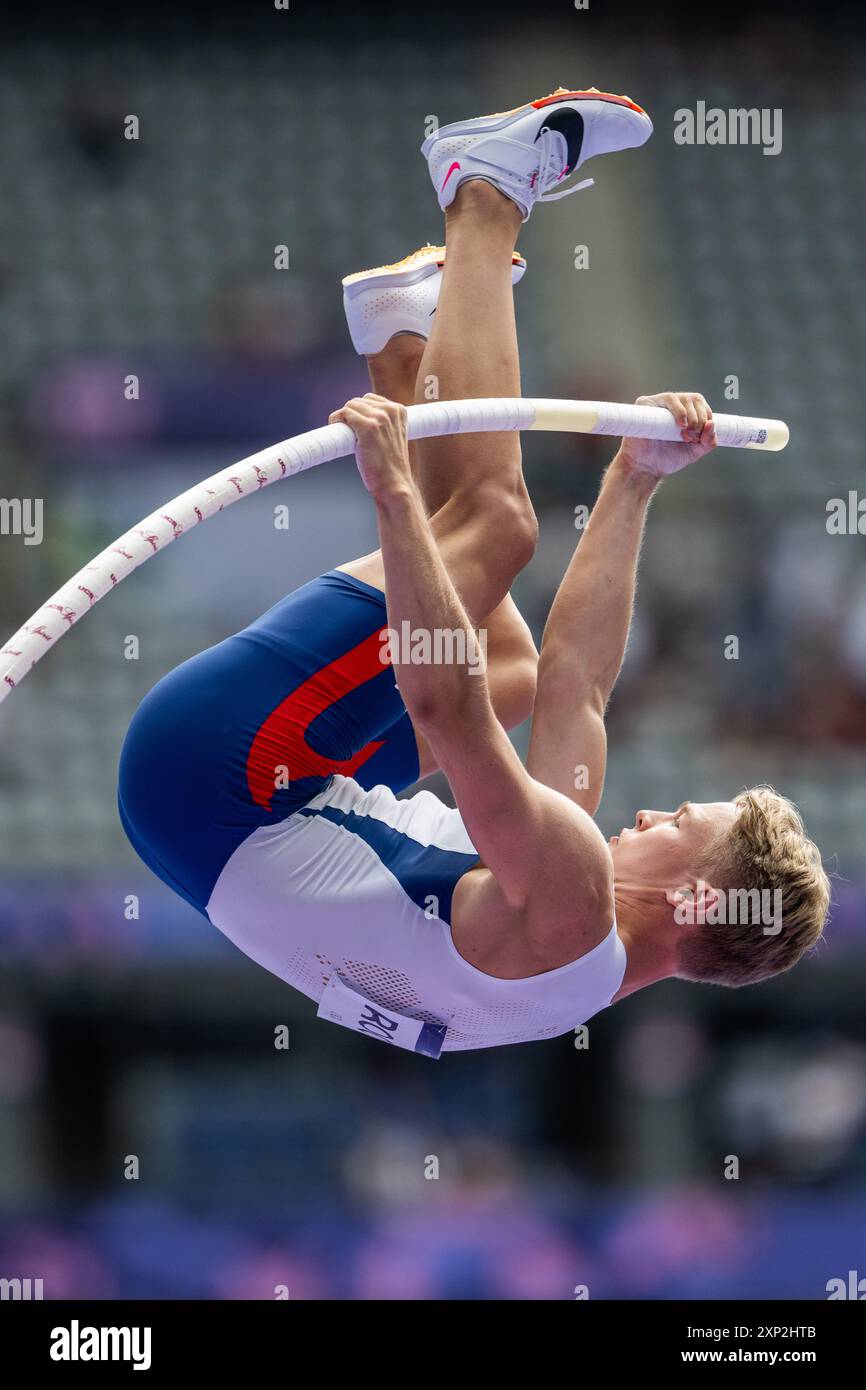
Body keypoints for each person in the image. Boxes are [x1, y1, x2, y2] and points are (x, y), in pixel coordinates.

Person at [118, 89, 829, 1056]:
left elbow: (442, 705)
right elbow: (577, 682)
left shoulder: (572, 894)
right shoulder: (574, 956)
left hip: (214, 775)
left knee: (493, 530)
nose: (658, 809)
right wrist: (633, 479)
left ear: (695, 898)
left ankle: (486, 187)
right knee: (514, 667)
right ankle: (404, 337)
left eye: (683, 822)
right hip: (208, 828)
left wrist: (397, 497)